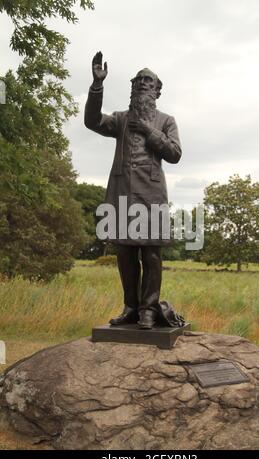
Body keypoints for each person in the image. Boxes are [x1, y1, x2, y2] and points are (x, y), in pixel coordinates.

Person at [84, 51, 182, 329]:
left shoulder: (165, 121)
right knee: (125, 254)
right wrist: (97, 86)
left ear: (157, 91)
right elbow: (92, 122)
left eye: (148, 82)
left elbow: (175, 153)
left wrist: (150, 132)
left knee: (151, 254)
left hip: (151, 196)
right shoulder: (120, 119)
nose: (142, 86)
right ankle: (130, 307)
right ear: (132, 90)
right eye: (137, 82)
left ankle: (149, 310)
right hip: (121, 194)